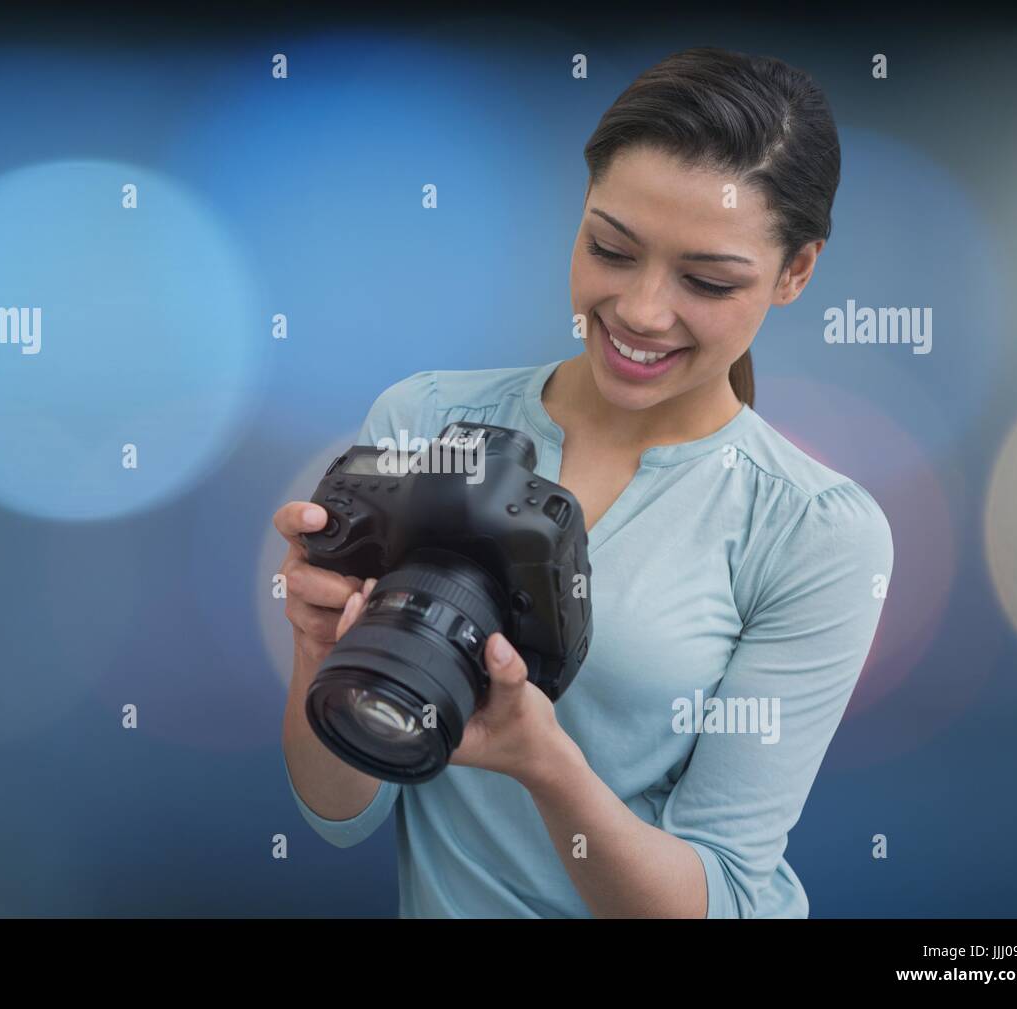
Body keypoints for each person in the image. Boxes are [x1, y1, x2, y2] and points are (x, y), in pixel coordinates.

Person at [276, 46, 892, 918]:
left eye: (707, 280)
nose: (642, 311)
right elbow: (341, 809)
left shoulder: (814, 530)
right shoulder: (427, 421)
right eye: (612, 247)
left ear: (796, 272)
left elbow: (726, 897)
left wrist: (546, 764)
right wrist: (317, 650)